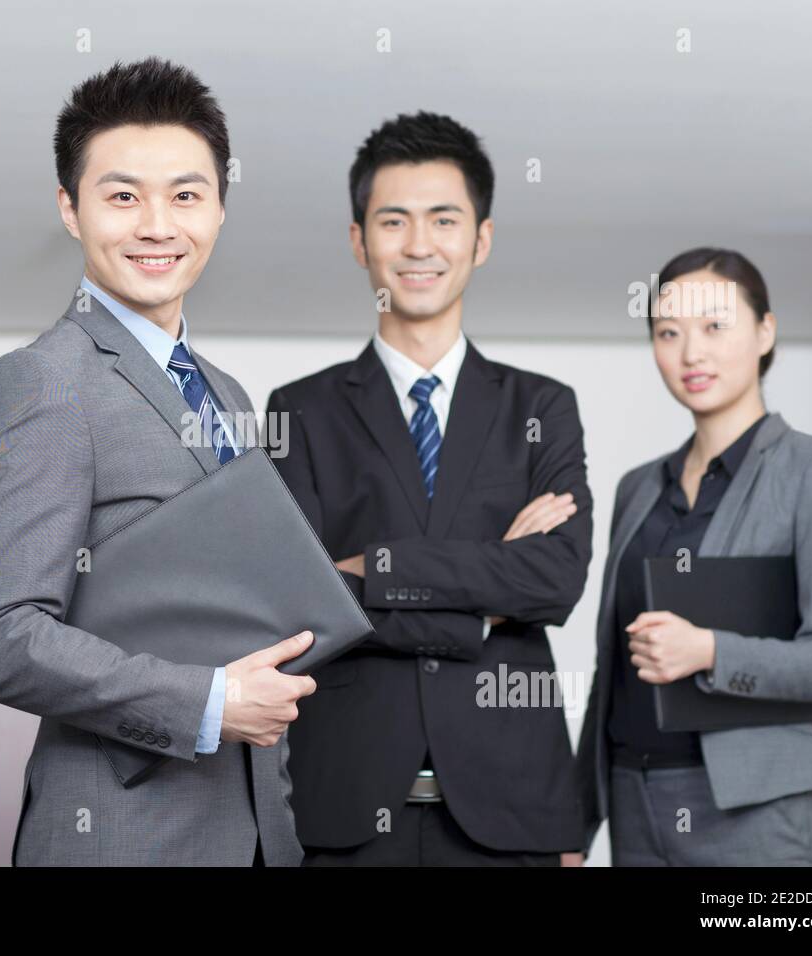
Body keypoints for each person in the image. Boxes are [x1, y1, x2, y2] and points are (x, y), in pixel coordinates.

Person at [0, 57, 315, 867]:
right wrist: (211, 702)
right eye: (122, 196)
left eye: (186, 195)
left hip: (257, 838)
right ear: (69, 209)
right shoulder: (41, 383)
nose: (158, 226)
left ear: (220, 208)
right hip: (117, 838)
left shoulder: (228, 396)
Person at [267, 111, 592, 866]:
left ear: (480, 240)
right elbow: (300, 604)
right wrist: (479, 605)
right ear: (359, 241)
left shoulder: (541, 407)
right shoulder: (300, 409)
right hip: (343, 803)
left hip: (513, 804)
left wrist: (370, 566)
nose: (419, 245)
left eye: (443, 219)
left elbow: (555, 579)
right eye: (394, 220)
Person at [575, 247, 812, 866]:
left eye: (714, 326)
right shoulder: (638, 487)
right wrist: (577, 820)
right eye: (668, 332)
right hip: (634, 804)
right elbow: (612, 669)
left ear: (765, 331)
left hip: (753, 814)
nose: (691, 352)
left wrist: (709, 651)